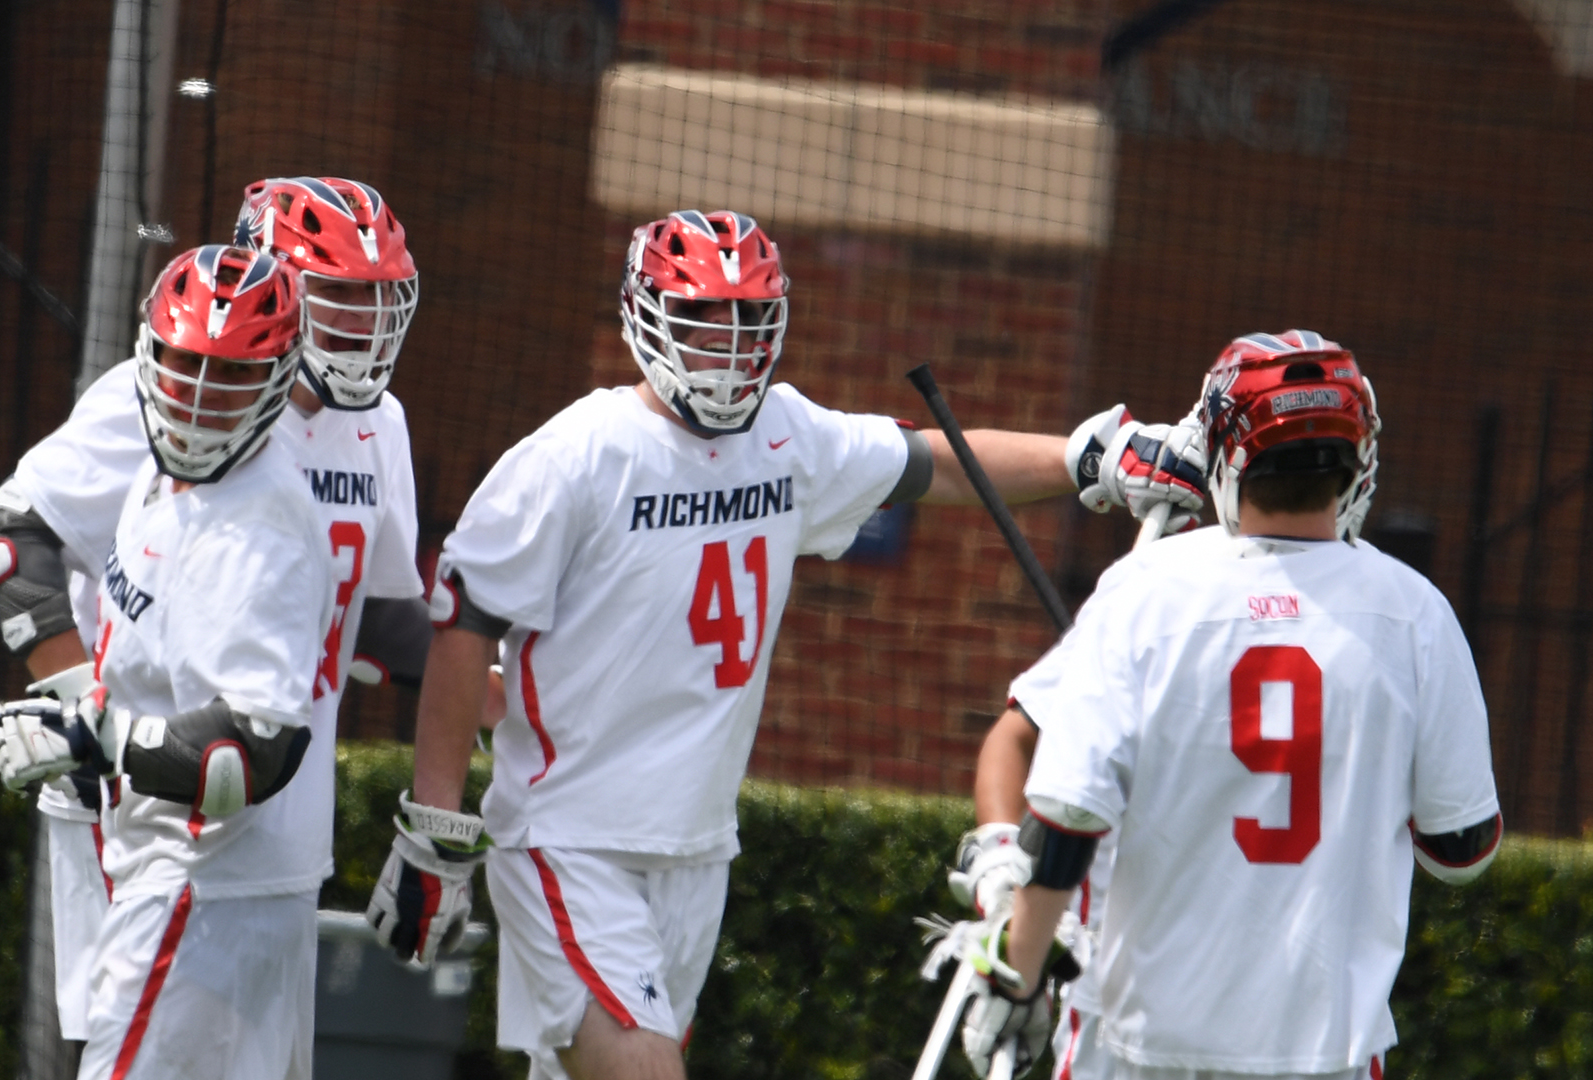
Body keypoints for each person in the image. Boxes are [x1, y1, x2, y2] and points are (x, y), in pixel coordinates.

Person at [362, 209, 1205, 1080]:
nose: (726, 345)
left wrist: (1091, 456)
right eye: (700, 318)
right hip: (571, 840)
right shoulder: (577, 455)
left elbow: (937, 462)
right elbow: (466, 620)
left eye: (747, 318)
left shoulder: (787, 436)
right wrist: (437, 826)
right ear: (644, 313)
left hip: (696, 846)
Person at [0, 176, 430, 1058]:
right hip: (160, 817)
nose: (363, 329)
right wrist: (83, 713)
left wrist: (503, 702)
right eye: (336, 298)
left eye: (375, 302)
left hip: (265, 821)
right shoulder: (179, 392)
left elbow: (379, 618)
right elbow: (8, 547)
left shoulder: (374, 429)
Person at [956, 330, 1502, 1080]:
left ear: (1224, 451)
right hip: (1326, 1053)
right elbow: (1461, 849)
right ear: (1355, 457)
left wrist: (1014, 975)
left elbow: (1066, 816)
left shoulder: (1149, 587)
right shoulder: (1415, 612)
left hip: (1135, 1045)